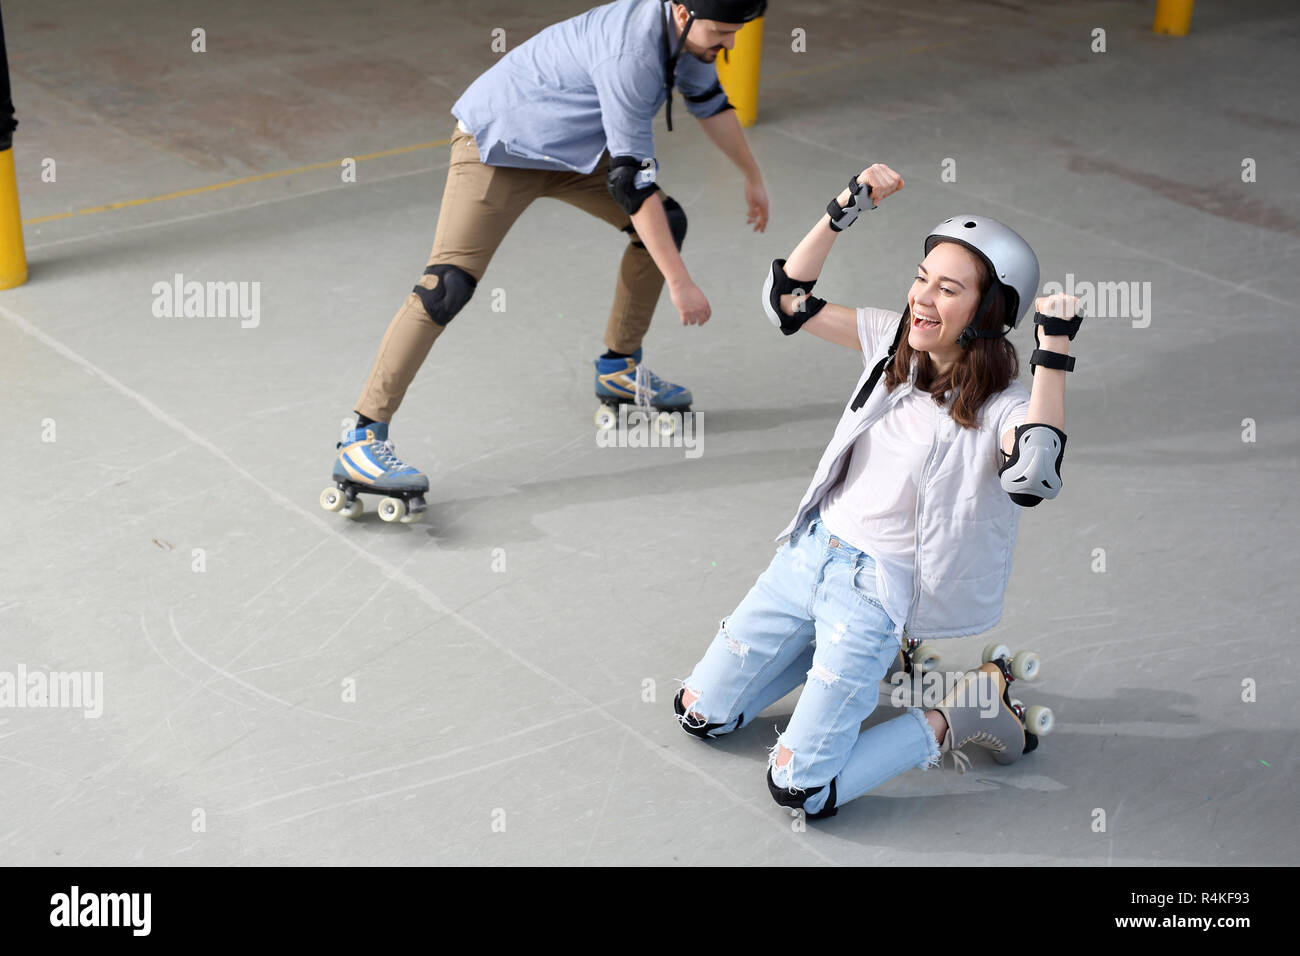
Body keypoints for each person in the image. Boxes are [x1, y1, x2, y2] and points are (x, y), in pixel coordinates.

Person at [673, 163, 1084, 818]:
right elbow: (787, 298)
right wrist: (844, 207)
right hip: (809, 553)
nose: (923, 296)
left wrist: (1054, 357)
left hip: (874, 591)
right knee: (700, 715)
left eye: (949, 289)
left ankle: (964, 710)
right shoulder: (888, 340)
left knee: (801, 789)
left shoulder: (1004, 406)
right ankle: (863, 661)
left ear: (991, 309)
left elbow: (1034, 474)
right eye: (922, 278)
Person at [324, 0, 770, 522]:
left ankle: (619, 369)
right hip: (500, 144)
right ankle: (361, 436)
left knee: (663, 225)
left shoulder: (691, 33)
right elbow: (631, 182)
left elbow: (709, 102)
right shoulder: (630, 52)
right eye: (723, 32)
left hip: (571, 152)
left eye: (737, 33)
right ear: (680, 12)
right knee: (446, 285)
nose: (731, 44)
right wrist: (680, 282)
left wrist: (752, 176)